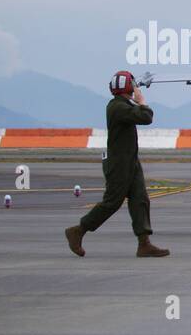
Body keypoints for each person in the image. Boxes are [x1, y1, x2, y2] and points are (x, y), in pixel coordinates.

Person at [65, 71, 170, 258]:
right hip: (119, 163)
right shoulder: (117, 107)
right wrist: (141, 99)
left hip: (130, 161)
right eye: (133, 85)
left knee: (140, 200)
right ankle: (78, 230)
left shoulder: (122, 104)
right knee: (112, 203)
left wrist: (137, 94)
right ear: (129, 88)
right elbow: (146, 117)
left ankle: (144, 244)